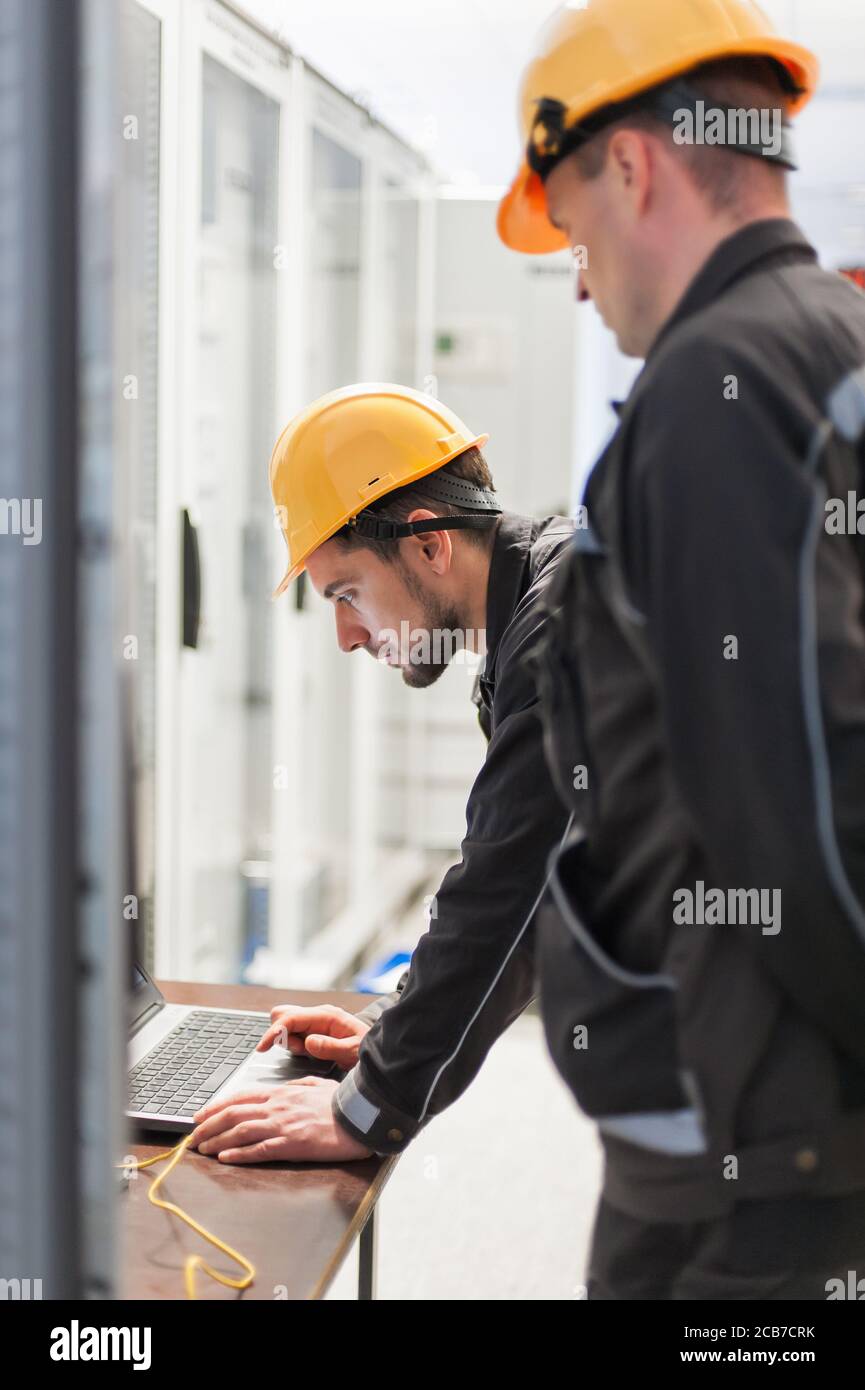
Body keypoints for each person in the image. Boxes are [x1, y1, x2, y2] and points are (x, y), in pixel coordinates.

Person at [498, 0, 865, 1299]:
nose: (584, 280)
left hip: (753, 1171)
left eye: (575, 224)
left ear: (634, 165)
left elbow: (791, 798)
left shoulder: (720, 384)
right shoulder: (828, 341)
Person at [190, 383, 575, 1163]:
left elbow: (505, 893)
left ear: (428, 542)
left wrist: (366, 1111)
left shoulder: (561, 636)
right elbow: (531, 895)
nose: (344, 635)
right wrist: (384, 1034)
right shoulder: (538, 613)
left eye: (347, 594)